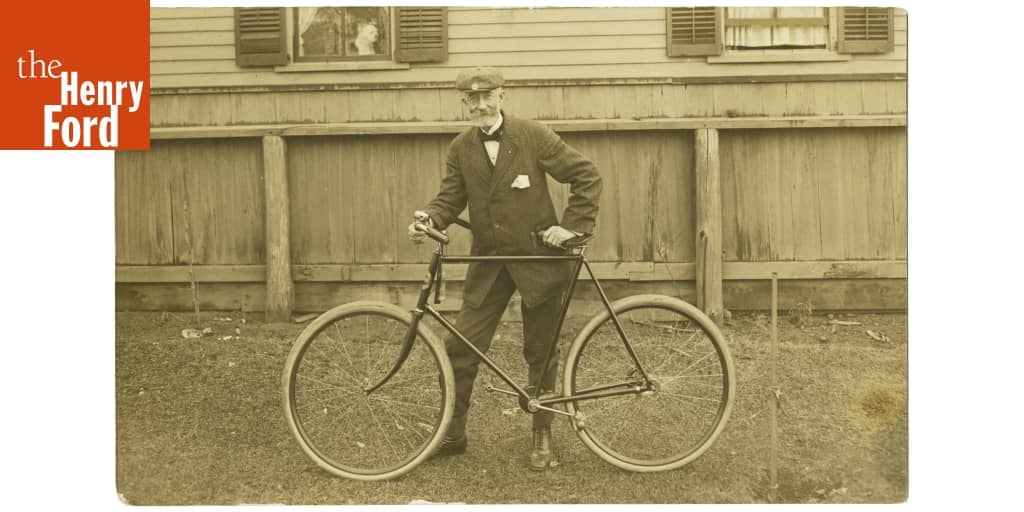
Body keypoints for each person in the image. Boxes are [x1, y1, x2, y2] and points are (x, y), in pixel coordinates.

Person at [407, 67, 601, 470]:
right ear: (464, 102)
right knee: (461, 347)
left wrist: (571, 228)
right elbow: (449, 199)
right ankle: (453, 434)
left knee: (540, 352)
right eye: (471, 99)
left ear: (502, 95)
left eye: (487, 97)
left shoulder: (533, 135)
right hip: (489, 264)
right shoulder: (461, 147)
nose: (480, 105)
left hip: (538, 262)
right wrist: (429, 218)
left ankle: (542, 434)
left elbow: (586, 175)